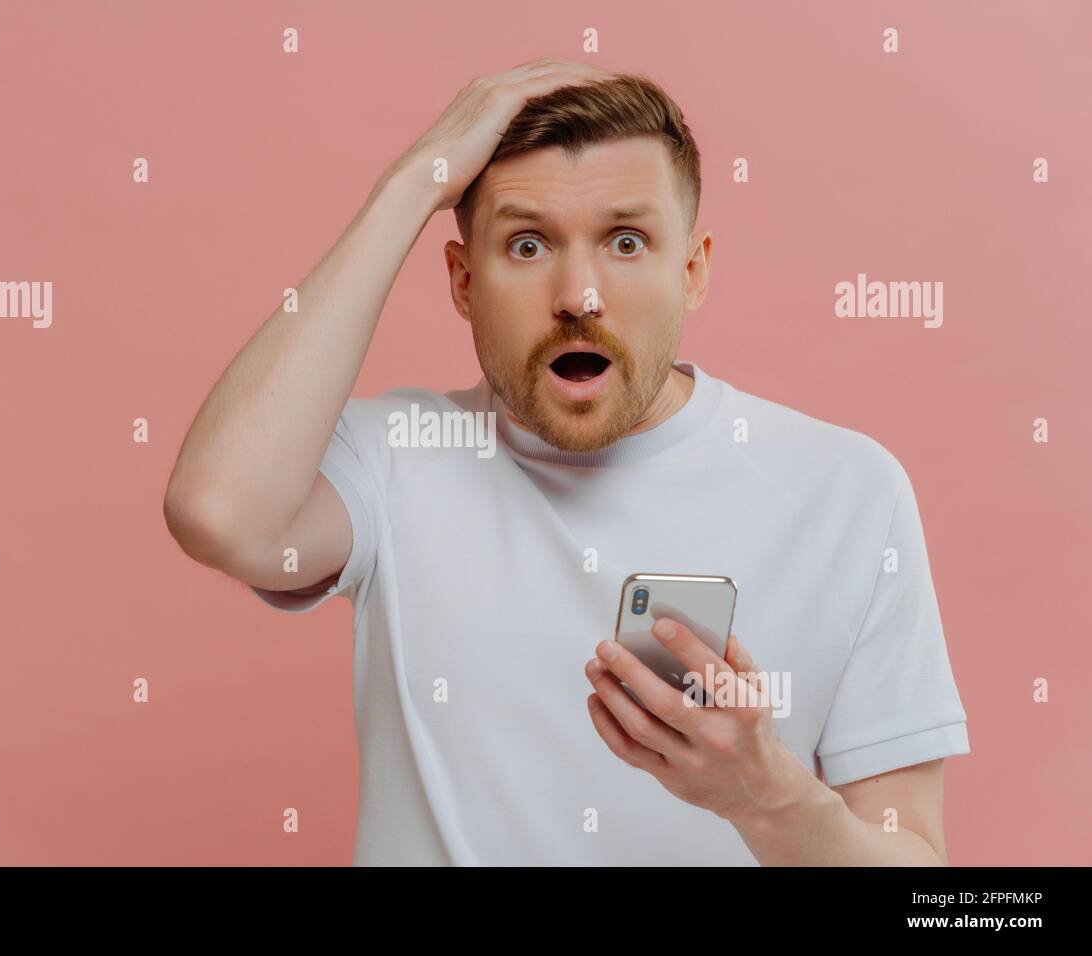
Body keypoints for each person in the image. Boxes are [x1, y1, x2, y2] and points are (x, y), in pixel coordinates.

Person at [163, 58, 970, 865]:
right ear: (462, 280)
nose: (579, 294)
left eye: (626, 241)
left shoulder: (847, 491)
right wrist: (410, 185)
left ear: (691, 272)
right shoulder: (395, 457)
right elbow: (219, 514)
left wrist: (766, 798)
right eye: (526, 243)